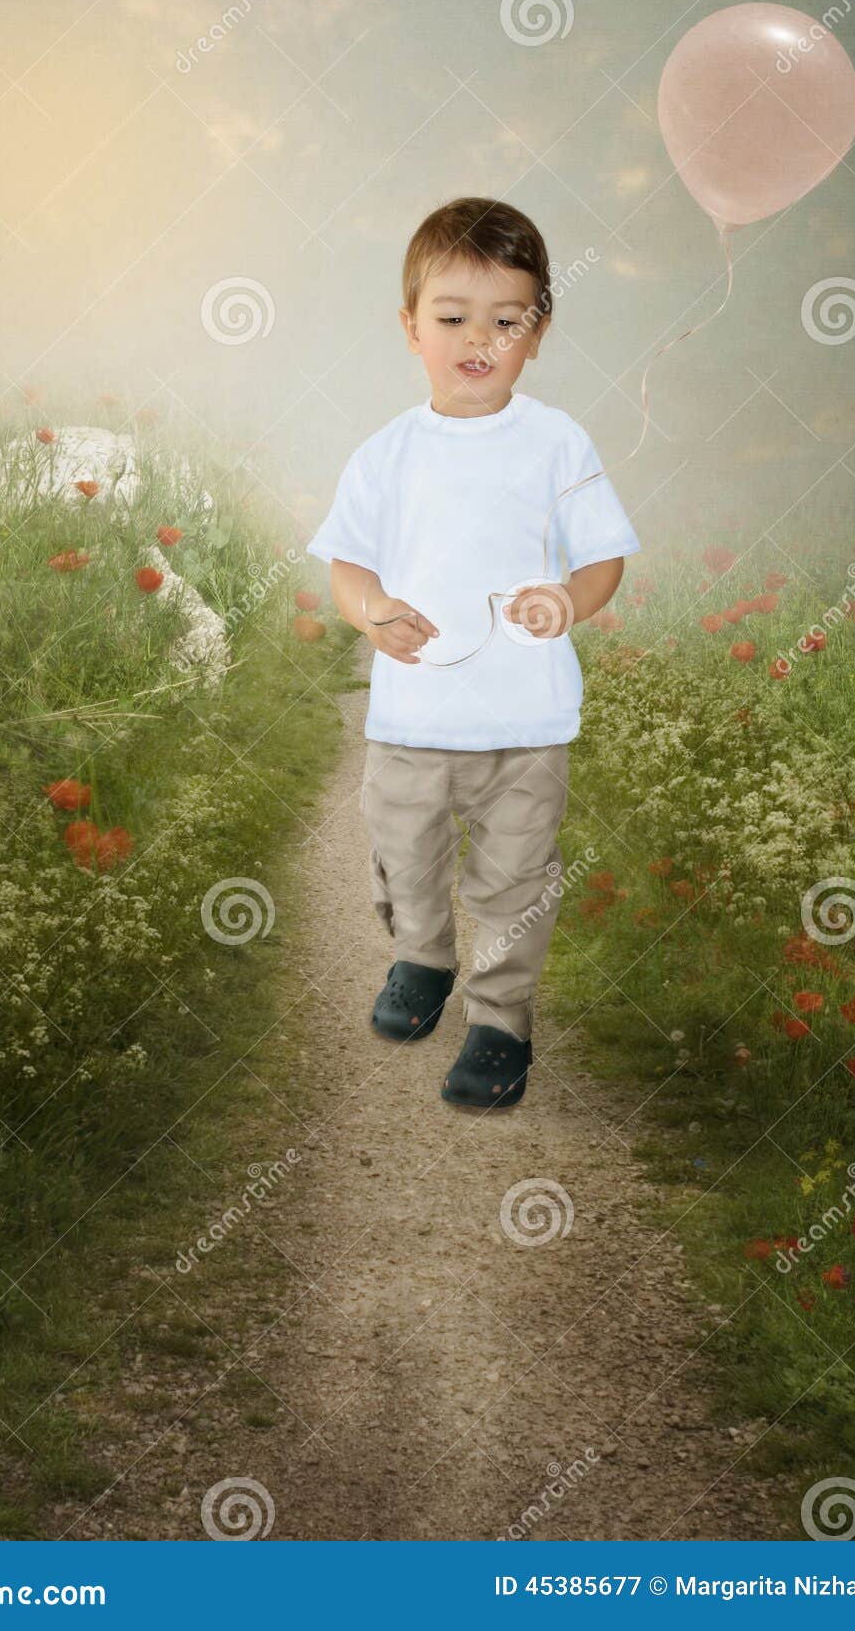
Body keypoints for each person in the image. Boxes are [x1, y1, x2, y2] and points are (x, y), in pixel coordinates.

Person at [305, 197, 641, 1110]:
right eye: (452, 318)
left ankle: (499, 1021)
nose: (478, 339)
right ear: (410, 325)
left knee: (513, 880)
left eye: (507, 319)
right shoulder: (385, 453)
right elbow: (349, 565)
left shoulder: (555, 441)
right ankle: (420, 958)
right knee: (405, 859)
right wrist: (373, 614)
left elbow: (604, 553)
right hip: (411, 721)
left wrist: (567, 598)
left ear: (537, 331)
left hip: (524, 724)